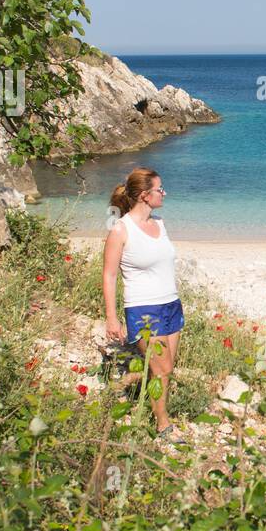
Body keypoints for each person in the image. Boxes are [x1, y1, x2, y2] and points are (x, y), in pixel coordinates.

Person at [102, 167, 186, 444]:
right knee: (161, 370)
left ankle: (124, 384)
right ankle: (163, 426)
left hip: (171, 304)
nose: (164, 193)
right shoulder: (120, 229)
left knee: (166, 368)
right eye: (160, 189)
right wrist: (112, 318)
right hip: (143, 309)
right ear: (144, 196)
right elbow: (109, 275)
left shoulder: (160, 223)